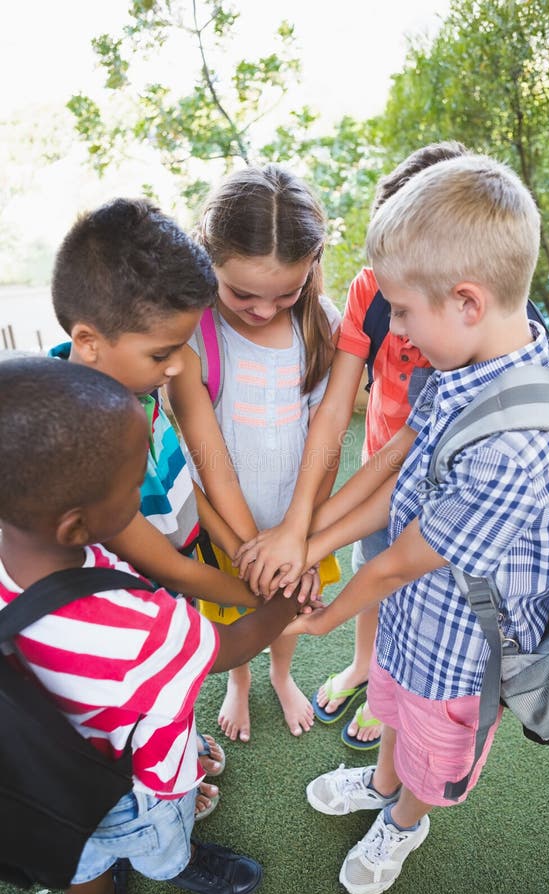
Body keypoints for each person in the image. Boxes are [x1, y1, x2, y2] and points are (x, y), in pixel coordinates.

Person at [284, 154, 549, 894]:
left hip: (462, 654)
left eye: (406, 314)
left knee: (432, 749)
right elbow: (406, 482)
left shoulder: (520, 448)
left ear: (468, 302)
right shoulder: (462, 370)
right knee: (390, 706)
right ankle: (382, 781)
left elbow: (397, 562)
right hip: (414, 625)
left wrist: (321, 623)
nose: (401, 332)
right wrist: (320, 539)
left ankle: (405, 820)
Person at [0, 357, 311, 894]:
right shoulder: (138, 627)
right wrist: (284, 605)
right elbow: (231, 647)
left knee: (83, 857)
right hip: (134, 787)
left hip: (48, 783)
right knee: (159, 837)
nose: (143, 492)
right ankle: (175, 864)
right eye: (132, 484)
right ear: (76, 522)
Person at [234, 142, 467, 751]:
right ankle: (364, 665)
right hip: (382, 450)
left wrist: (305, 538)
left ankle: (390, 679)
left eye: (405, 295)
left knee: (408, 583)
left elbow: (412, 458)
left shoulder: (470, 335)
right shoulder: (370, 290)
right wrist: (301, 535)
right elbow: (338, 407)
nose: (393, 302)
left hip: (440, 476)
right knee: (372, 564)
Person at [49, 197, 267, 819]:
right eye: (162, 353)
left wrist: (237, 544)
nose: (177, 366)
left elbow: (179, 480)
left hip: (174, 565)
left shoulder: (130, 386)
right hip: (135, 604)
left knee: (172, 691)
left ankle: (179, 745)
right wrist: (258, 595)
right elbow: (162, 568)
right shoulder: (87, 438)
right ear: (89, 341)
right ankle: (165, 798)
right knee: (142, 704)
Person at [167, 164, 342, 742]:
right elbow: (206, 457)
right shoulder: (194, 332)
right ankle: (240, 682)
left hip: (297, 511)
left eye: (284, 293)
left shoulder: (322, 325)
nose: (264, 310)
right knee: (235, 611)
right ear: (206, 259)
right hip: (227, 521)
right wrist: (246, 549)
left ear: (311, 268)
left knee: (287, 609)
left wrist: (302, 533)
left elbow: (327, 443)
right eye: (242, 292)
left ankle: (281, 673)